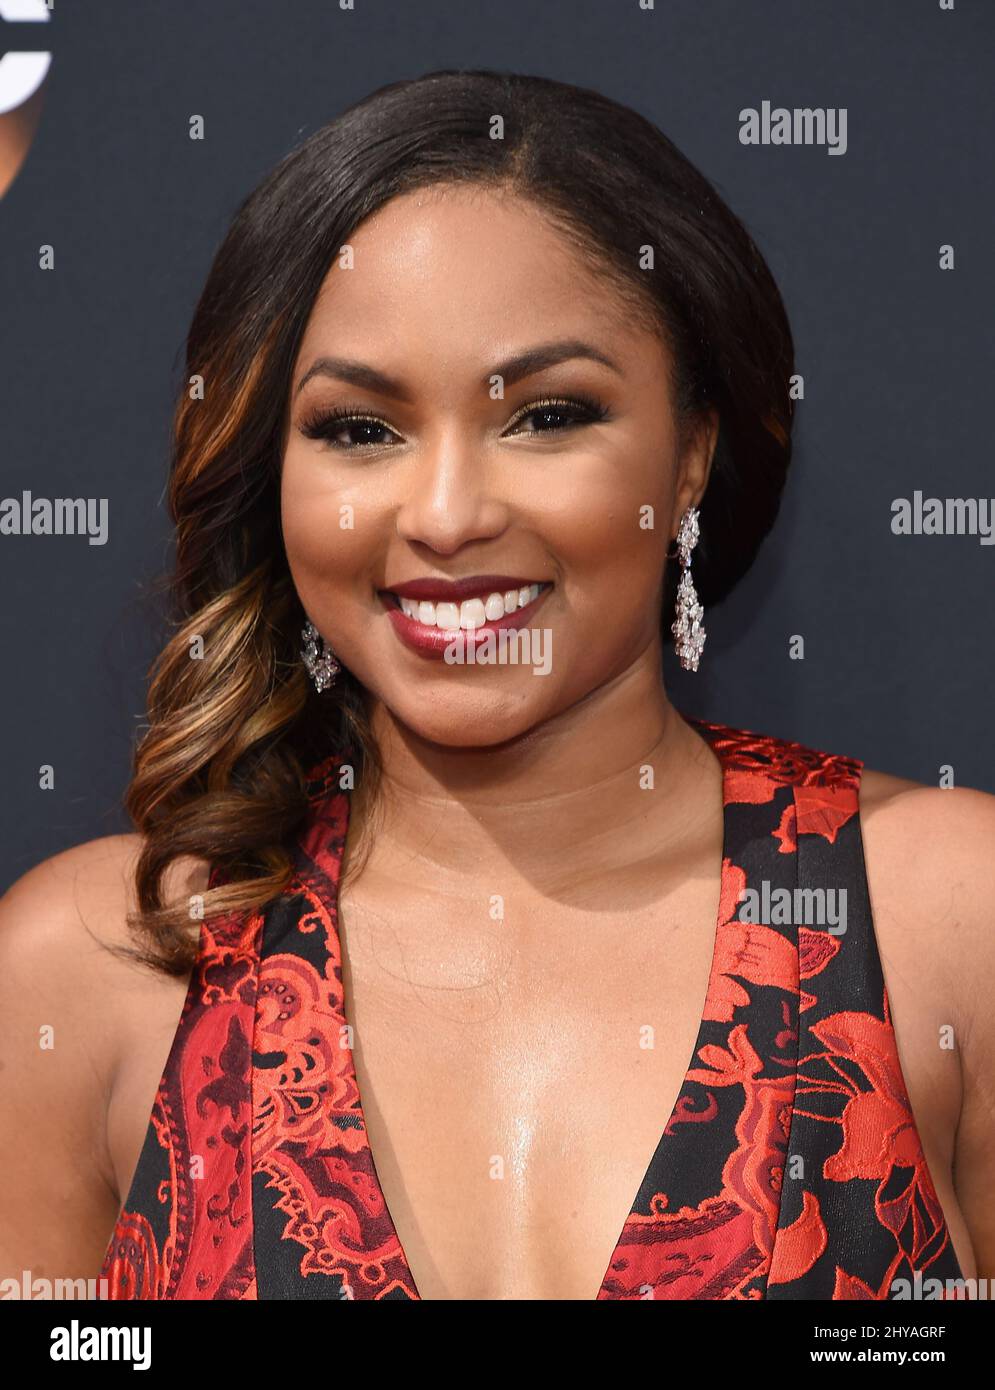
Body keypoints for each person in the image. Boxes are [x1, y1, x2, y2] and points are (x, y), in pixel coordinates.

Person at [1, 69, 991, 1302]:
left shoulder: (946, 920)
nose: (448, 515)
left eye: (546, 414)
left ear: (690, 452)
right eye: (360, 428)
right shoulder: (97, 965)